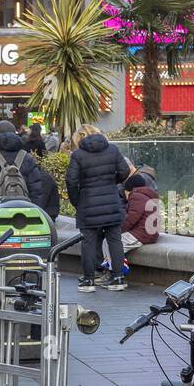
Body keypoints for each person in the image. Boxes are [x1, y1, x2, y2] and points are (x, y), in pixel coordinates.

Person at [66, 123, 133, 292]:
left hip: (88, 203)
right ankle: (118, 278)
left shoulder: (78, 155)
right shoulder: (112, 150)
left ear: (79, 138)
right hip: (111, 200)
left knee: (88, 242)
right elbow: (125, 171)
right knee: (115, 240)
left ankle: (89, 280)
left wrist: (77, 200)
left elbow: (71, 181)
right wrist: (111, 182)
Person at [114, 173, 160, 274]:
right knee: (109, 242)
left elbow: (131, 219)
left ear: (129, 190)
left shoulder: (136, 197)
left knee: (113, 243)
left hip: (143, 234)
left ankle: (116, 275)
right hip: (147, 233)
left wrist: (117, 230)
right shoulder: (147, 196)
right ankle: (114, 271)